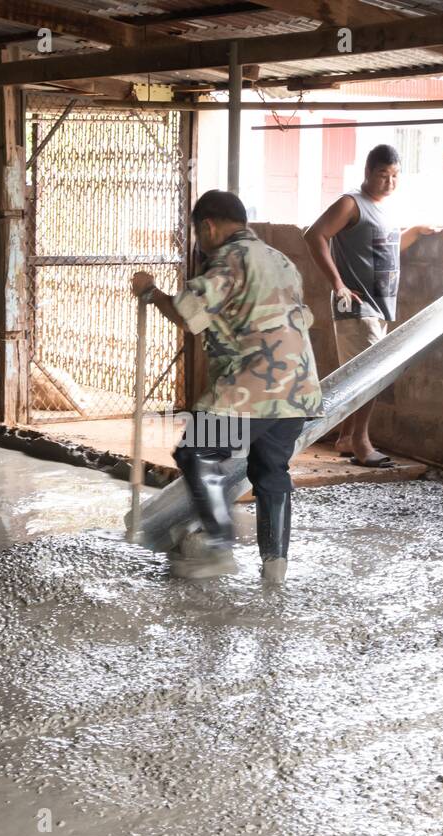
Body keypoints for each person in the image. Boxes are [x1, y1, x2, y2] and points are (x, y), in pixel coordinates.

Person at [131, 189, 322, 583]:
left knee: (196, 451)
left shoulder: (231, 258)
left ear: (208, 226)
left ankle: (220, 544)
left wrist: (152, 292)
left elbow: (189, 313)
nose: (200, 243)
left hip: (252, 390)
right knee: (271, 471)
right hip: (298, 391)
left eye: (199, 234)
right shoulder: (282, 261)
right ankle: (275, 567)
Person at [304, 143, 443, 467]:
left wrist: (415, 231)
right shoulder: (351, 203)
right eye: (383, 174)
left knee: (364, 374)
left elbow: (388, 248)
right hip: (356, 304)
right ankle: (361, 443)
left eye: (395, 176)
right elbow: (315, 235)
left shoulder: (386, 209)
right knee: (372, 376)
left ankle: (345, 438)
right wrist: (337, 283)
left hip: (380, 306)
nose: (390, 182)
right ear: (368, 172)